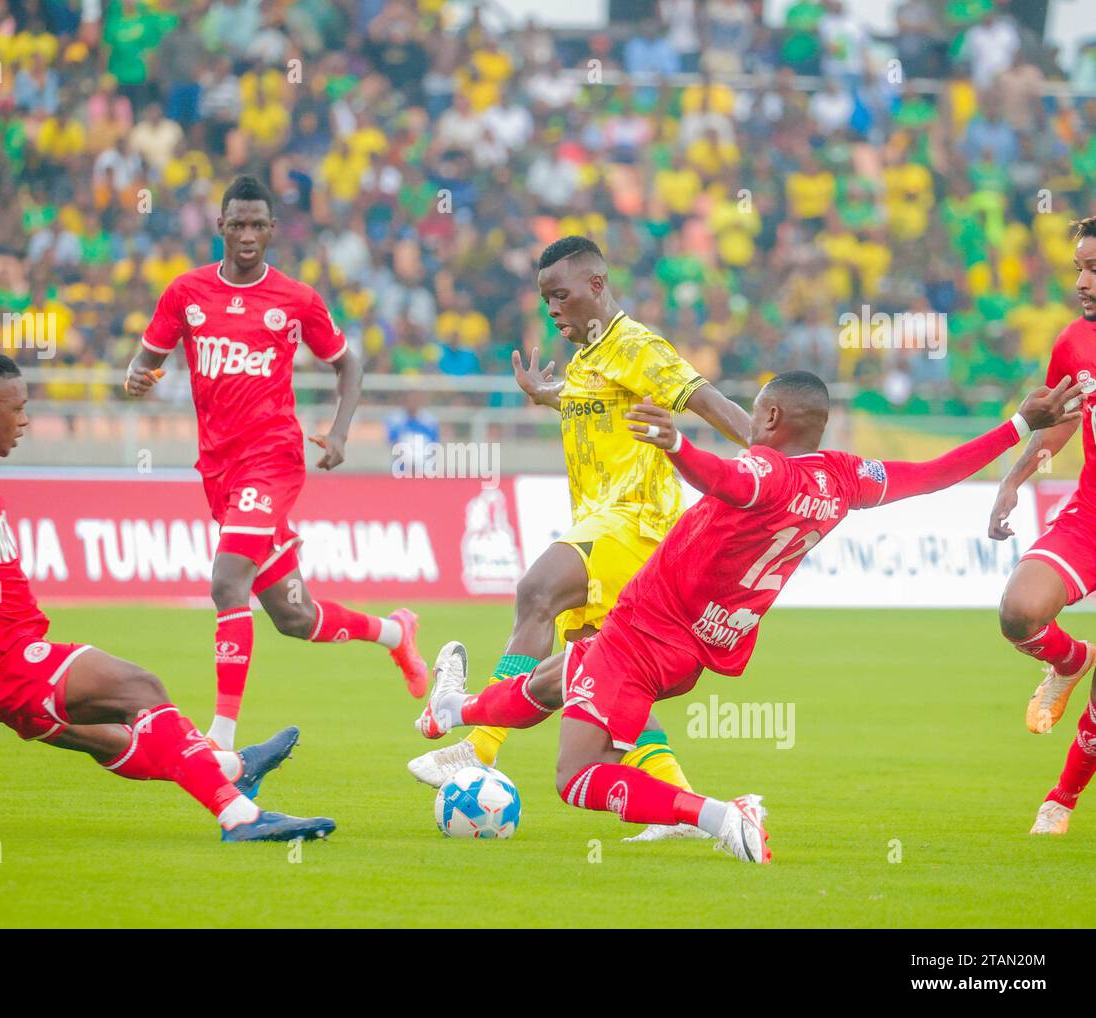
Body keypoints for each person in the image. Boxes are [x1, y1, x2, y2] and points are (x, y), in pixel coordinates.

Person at [414, 371, 1081, 860]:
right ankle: (455, 710)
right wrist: (1018, 424)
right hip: (691, 649)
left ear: (768, 420)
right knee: (553, 683)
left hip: (644, 634)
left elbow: (725, 481)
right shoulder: (842, 477)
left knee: (577, 777)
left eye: (757, 410)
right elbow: (936, 474)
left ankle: (719, 817)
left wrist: (677, 447)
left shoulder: (765, 470)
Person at [0, 348, 335, 842]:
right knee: (141, 689)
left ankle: (231, 769)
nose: (24, 422)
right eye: (17, 410)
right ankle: (239, 816)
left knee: (115, 738)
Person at [408, 236, 751, 844]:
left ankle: (480, 747)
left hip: (639, 525)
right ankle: (693, 811)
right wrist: (550, 396)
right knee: (594, 677)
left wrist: (777, 462)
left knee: (537, 590)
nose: (552, 311)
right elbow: (597, 402)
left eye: (560, 296)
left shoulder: (638, 345)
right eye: (545, 301)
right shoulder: (589, 361)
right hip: (604, 526)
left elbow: (712, 402)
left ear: (597, 285)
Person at [124, 175, 427, 753]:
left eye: (256, 224)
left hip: (273, 460)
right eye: (235, 223)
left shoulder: (296, 299)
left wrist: (339, 433)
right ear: (220, 226)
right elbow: (146, 358)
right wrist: (137, 376)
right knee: (294, 615)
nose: (245, 234)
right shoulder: (185, 293)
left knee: (225, 582)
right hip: (218, 471)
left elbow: (348, 362)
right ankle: (395, 633)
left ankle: (221, 736)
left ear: (271, 231)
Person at [987, 216, 1096, 834]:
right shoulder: (1075, 343)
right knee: (1019, 612)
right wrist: (1013, 479)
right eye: (1079, 268)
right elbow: (1059, 418)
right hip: (1091, 516)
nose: (1082, 282)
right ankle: (1071, 658)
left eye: (1094, 270)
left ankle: (1060, 801)